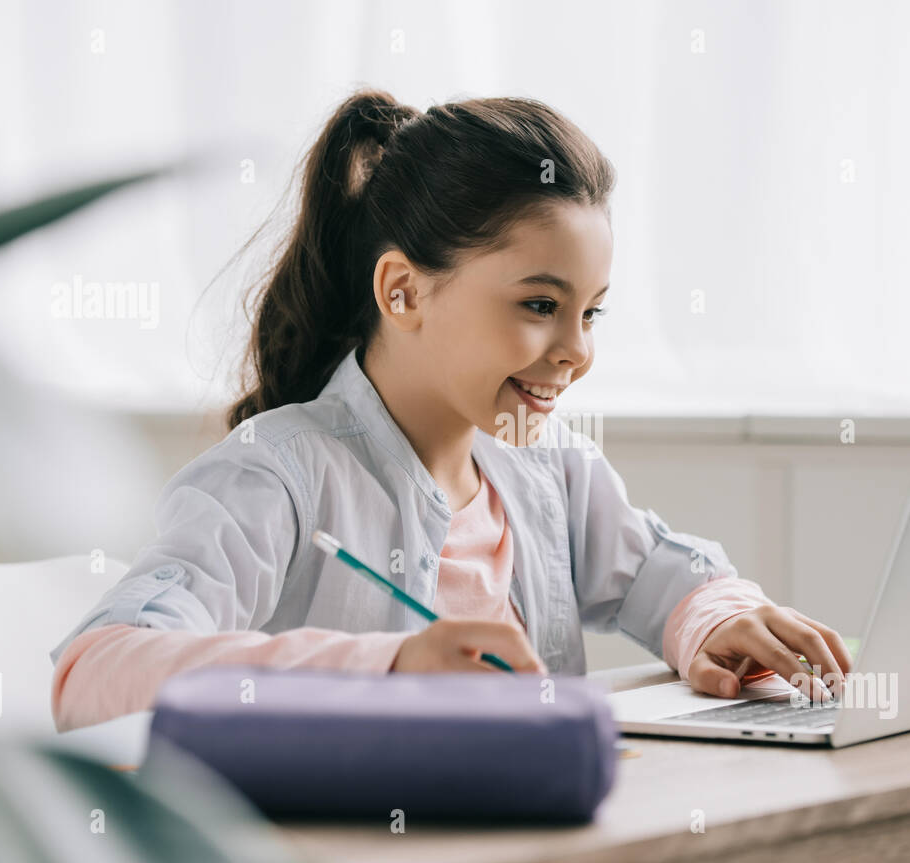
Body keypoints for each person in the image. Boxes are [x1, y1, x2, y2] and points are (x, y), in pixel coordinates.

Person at [50, 88, 851, 733]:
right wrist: (385, 672)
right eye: (541, 303)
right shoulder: (276, 476)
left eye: (592, 313)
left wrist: (718, 619)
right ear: (402, 290)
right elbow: (92, 673)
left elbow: (659, 573)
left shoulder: (551, 469)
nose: (578, 350)